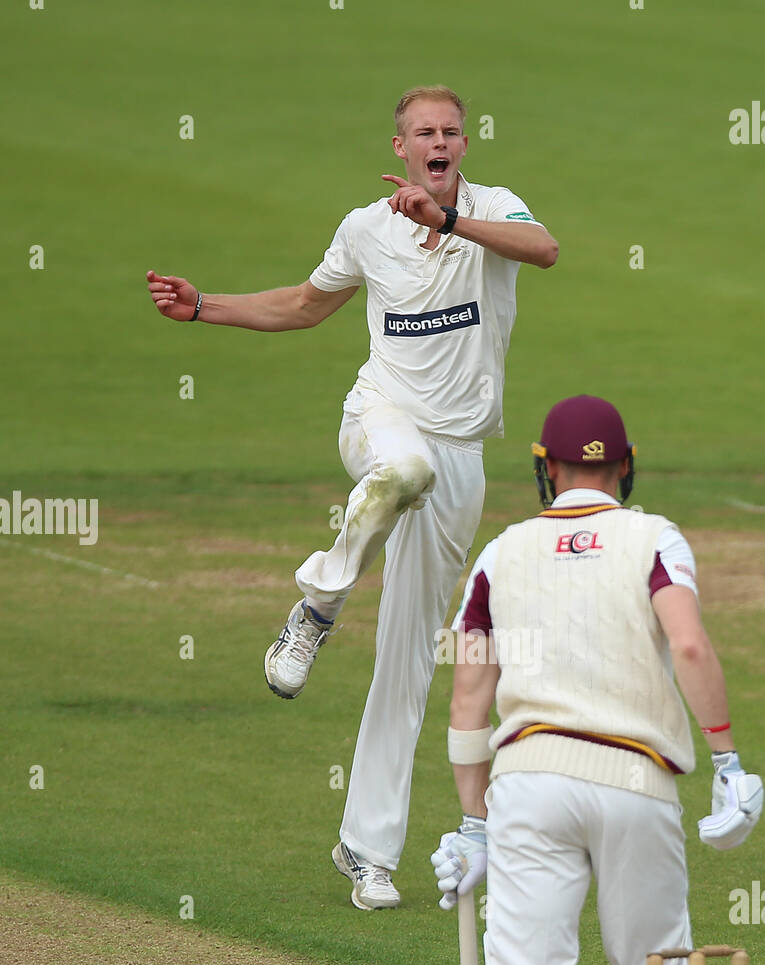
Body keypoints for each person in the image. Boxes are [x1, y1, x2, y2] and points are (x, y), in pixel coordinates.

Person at [146, 85, 558, 910]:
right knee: (404, 471)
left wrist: (449, 224)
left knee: (409, 662)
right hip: (381, 421)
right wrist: (206, 310)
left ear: (463, 147)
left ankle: (366, 852)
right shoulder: (365, 229)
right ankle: (319, 603)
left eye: (450, 132)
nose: (438, 143)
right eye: (423, 134)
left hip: (463, 453)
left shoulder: (492, 212)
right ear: (400, 149)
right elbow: (306, 305)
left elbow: (544, 249)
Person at [431, 396, 764, 965]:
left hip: (529, 780)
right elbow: (687, 646)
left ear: (546, 465)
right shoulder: (655, 537)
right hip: (636, 781)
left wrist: (474, 825)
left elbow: (470, 693)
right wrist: (727, 763)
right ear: (625, 465)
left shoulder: (500, 555)